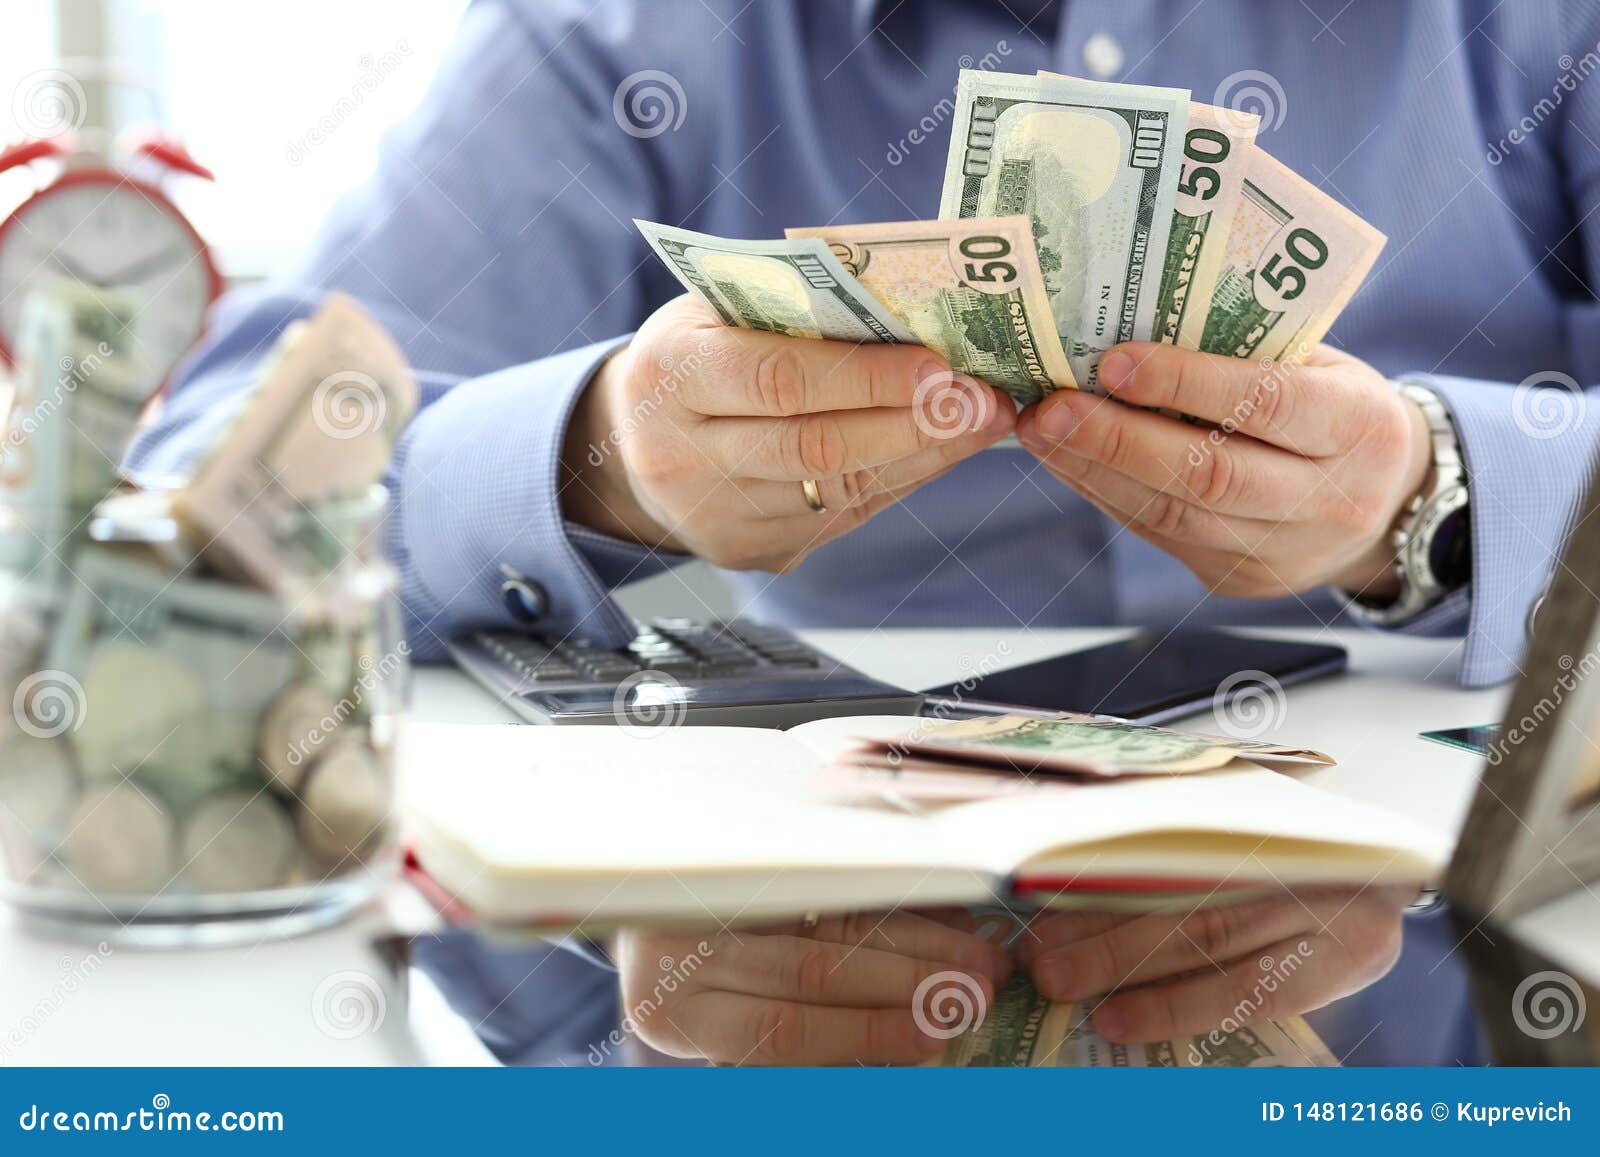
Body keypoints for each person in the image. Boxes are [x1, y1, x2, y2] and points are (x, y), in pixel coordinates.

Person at [129, 0, 1597, 1063]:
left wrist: (1443, 493)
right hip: (809, 1000)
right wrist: (590, 455)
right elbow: (206, 514)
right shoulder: (624, 41)